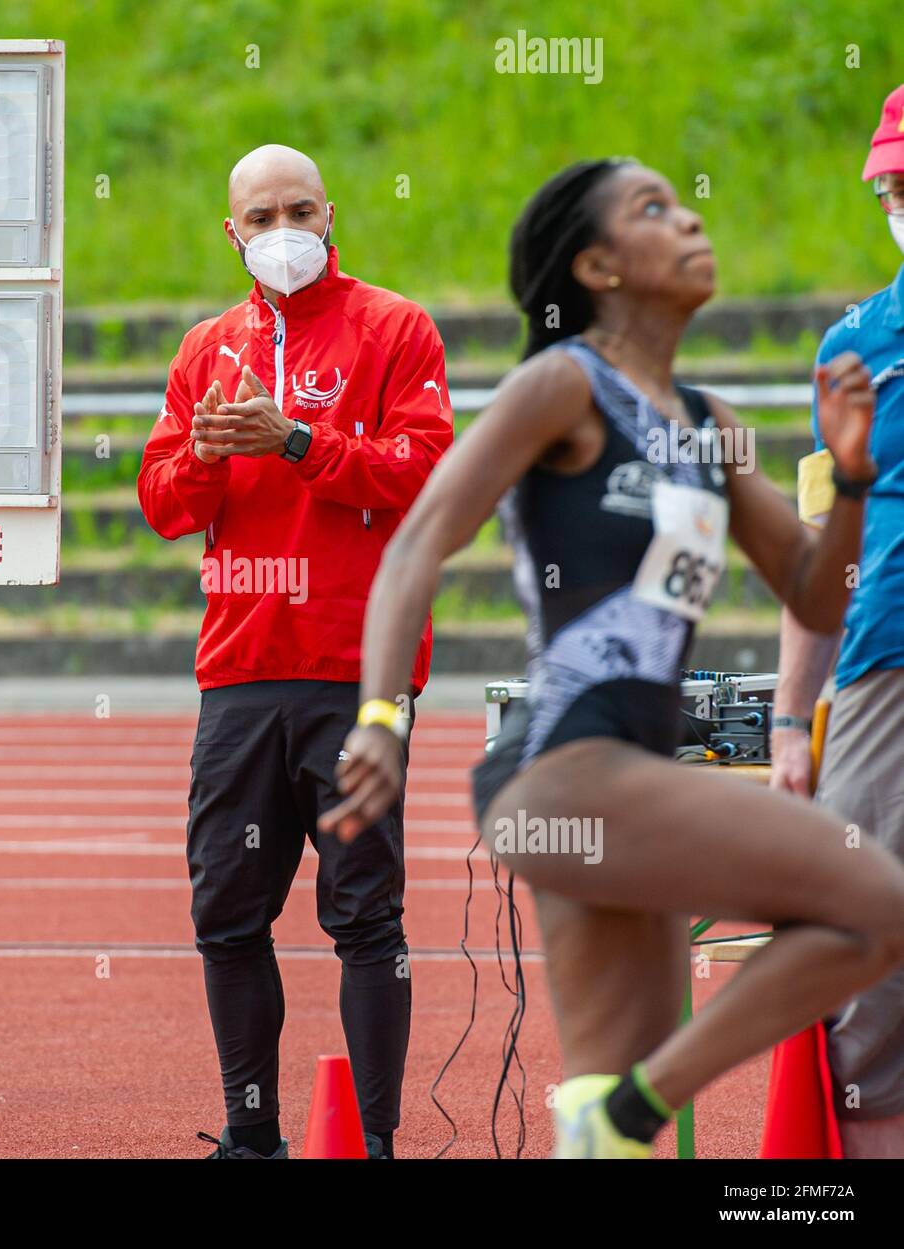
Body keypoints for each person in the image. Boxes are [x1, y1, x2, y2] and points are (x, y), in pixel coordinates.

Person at [320, 157, 904, 1158]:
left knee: (602, 1141)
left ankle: (615, 1116)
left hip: (623, 792)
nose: (687, 220)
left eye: (683, 204)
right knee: (876, 907)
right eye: (652, 211)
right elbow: (418, 539)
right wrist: (379, 717)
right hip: (563, 775)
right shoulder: (563, 384)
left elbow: (814, 594)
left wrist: (852, 481)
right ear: (596, 265)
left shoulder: (711, 428)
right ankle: (630, 1105)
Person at [137, 144, 452, 1158]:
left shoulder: (395, 327)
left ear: (330, 215)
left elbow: (423, 475)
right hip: (238, 667)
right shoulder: (205, 348)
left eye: (298, 210)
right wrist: (205, 456)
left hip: (361, 665)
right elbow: (160, 505)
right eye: (260, 216)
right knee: (226, 914)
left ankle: (373, 1139)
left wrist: (295, 442)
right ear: (230, 233)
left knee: (365, 914)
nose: (283, 232)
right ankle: (251, 1132)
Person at [770, 83, 904, 1158]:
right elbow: (822, 545)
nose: (902, 199)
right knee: (864, 955)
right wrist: (784, 719)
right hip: (881, 669)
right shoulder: (852, 345)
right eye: (894, 186)